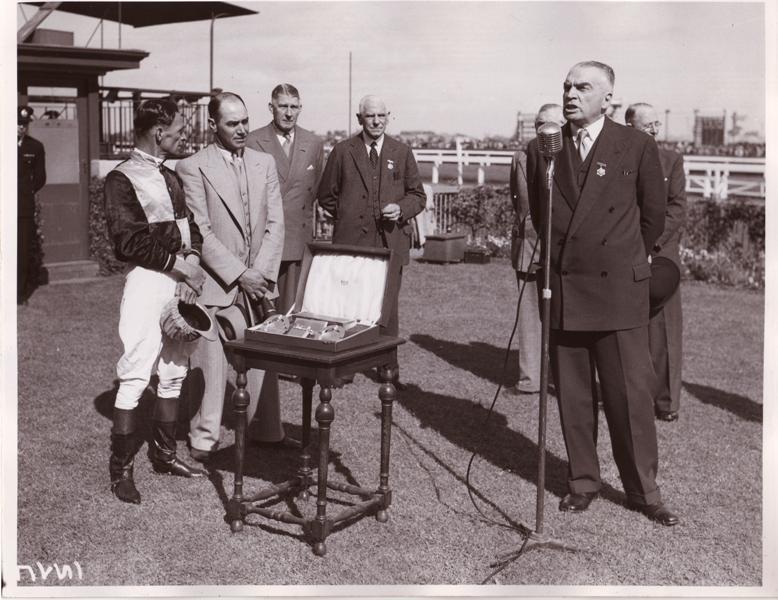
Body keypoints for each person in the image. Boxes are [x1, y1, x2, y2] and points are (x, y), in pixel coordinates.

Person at [525, 61, 678, 525]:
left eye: (583, 87)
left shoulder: (636, 144)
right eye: (567, 86)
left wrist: (626, 260)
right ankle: (583, 481)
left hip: (618, 292)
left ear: (607, 97)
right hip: (567, 290)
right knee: (573, 397)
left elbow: (653, 217)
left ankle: (643, 490)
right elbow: (541, 214)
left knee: (629, 397)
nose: (571, 94)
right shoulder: (542, 149)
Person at [104, 99, 208, 504]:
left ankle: (166, 456)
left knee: (175, 369)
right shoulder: (121, 178)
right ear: (157, 132)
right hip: (148, 283)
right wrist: (181, 268)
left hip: (179, 281)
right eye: (179, 129)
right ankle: (121, 471)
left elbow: (190, 229)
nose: (184, 134)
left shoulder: (169, 174)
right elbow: (128, 241)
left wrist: (193, 263)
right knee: (135, 372)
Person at [176, 92, 288, 462]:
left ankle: (264, 431)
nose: (242, 130)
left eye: (244, 121)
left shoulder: (264, 162)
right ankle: (204, 440)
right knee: (209, 366)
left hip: (258, 281)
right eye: (232, 123)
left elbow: (276, 223)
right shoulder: (192, 167)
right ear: (212, 125)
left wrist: (261, 275)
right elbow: (200, 232)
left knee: (262, 361)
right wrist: (240, 274)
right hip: (215, 282)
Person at [317, 95, 426, 387]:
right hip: (352, 243)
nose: (376, 121)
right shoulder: (342, 151)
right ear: (359, 118)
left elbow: (418, 195)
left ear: (388, 116)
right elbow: (326, 194)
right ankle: (345, 367)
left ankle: (388, 367)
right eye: (370, 116)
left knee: (387, 309)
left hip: (390, 244)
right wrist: (350, 214)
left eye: (381, 116)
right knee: (349, 304)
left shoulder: (401, 152)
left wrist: (401, 209)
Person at [626, 103, 686, 423]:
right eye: (646, 125)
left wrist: (652, 245)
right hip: (625, 253)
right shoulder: (620, 158)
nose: (653, 130)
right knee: (625, 328)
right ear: (630, 126)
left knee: (663, 331)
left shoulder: (671, 160)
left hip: (662, 256)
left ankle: (666, 403)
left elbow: (677, 209)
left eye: (656, 125)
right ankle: (625, 394)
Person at [245, 83, 324, 312]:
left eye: (294, 107)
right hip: (263, 243)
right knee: (264, 312)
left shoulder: (314, 143)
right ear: (271, 107)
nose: (289, 113)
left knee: (294, 310)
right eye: (283, 107)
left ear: (300, 108)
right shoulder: (252, 141)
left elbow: (315, 188)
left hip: (298, 242)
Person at [506, 104, 565, 395]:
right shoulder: (521, 156)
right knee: (529, 316)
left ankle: (563, 376)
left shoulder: (571, 158)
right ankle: (530, 378)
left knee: (562, 315)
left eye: (552, 124)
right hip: (529, 247)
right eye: (540, 123)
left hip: (563, 251)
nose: (545, 129)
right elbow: (517, 201)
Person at [17, 105, 46, 304]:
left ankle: (19, 294)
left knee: (22, 251)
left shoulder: (35, 147)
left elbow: (40, 178)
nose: (21, 128)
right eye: (18, 123)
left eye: (24, 124)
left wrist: (26, 192)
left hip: (23, 208)